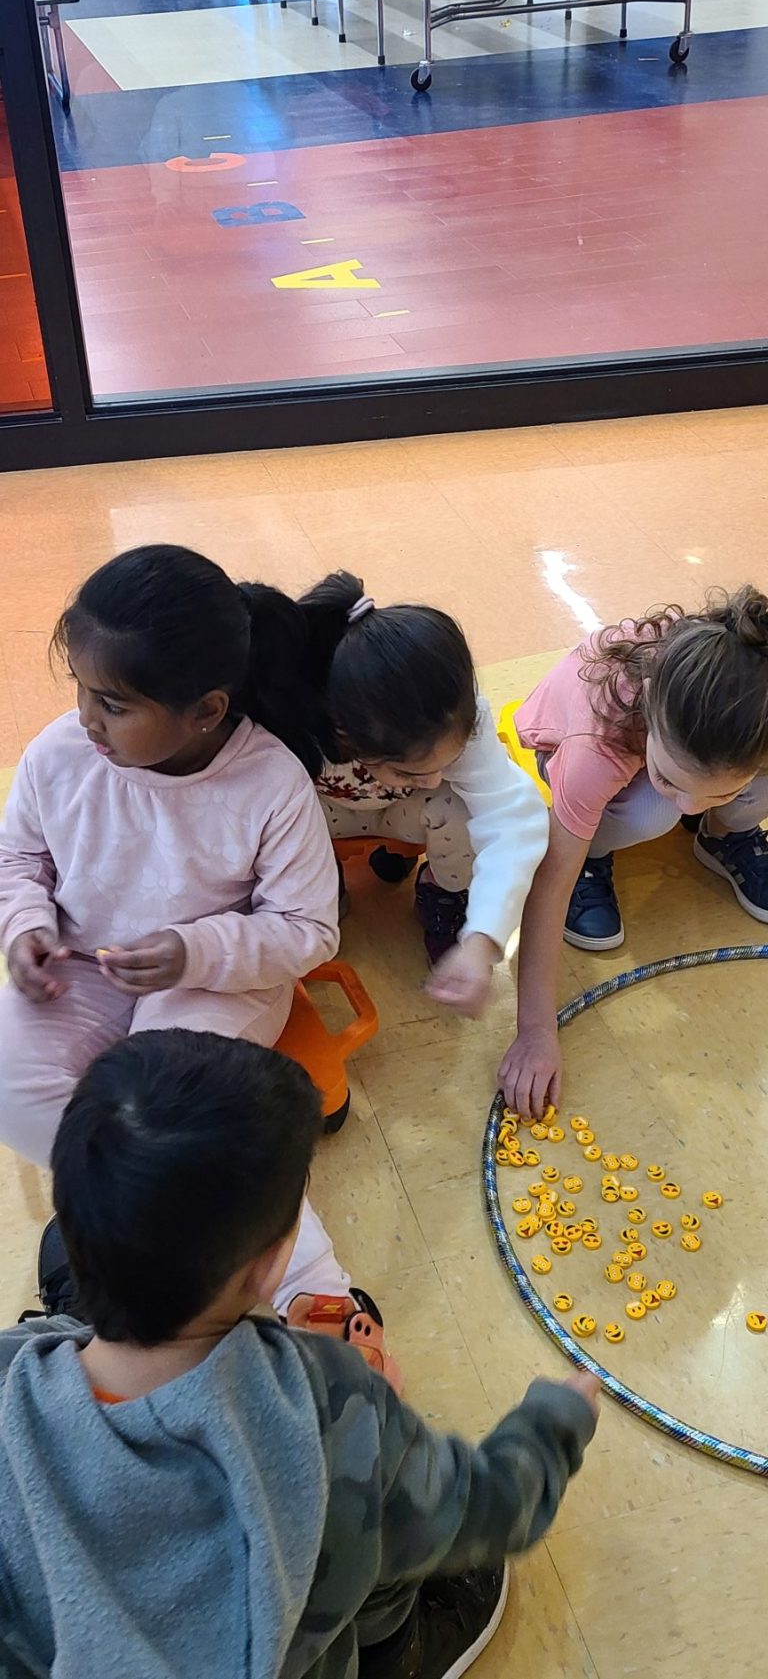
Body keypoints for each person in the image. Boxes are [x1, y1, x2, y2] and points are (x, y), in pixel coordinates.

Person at [0, 1029, 600, 1679]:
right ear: (267, 1271)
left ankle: (102, 1300)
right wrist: (553, 1423)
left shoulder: (11, 1371)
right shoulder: (333, 1406)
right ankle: (401, 1648)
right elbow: (490, 1508)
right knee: (380, 1516)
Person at [0, 543, 359, 1323]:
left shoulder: (269, 784)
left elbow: (307, 928)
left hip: (211, 983)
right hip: (83, 964)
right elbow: (17, 856)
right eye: (83, 692)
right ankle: (151, 1219)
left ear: (206, 709)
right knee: (8, 1077)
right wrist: (25, 923)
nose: (87, 719)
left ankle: (318, 1289)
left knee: (177, 1112)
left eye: (115, 705)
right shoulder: (60, 753)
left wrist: (194, 949)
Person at [499, 586, 768, 1117]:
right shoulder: (596, 744)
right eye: (670, 775)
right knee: (657, 812)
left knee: (713, 792)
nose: (693, 803)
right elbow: (546, 886)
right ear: (648, 705)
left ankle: (725, 833)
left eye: (717, 793)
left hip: (661, 748)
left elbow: (698, 778)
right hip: (565, 746)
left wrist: (706, 789)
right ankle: (592, 856)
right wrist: (535, 1034)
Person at [268, 570, 549, 1020]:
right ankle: (325, 879)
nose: (434, 778)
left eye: (444, 762)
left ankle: (443, 890)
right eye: (410, 769)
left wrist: (482, 939)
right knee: (276, 823)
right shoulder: (297, 719)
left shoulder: (454, 714)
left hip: (402, 812)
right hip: (321, 813)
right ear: (346, 737)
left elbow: (514, 818)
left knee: (457, 806)